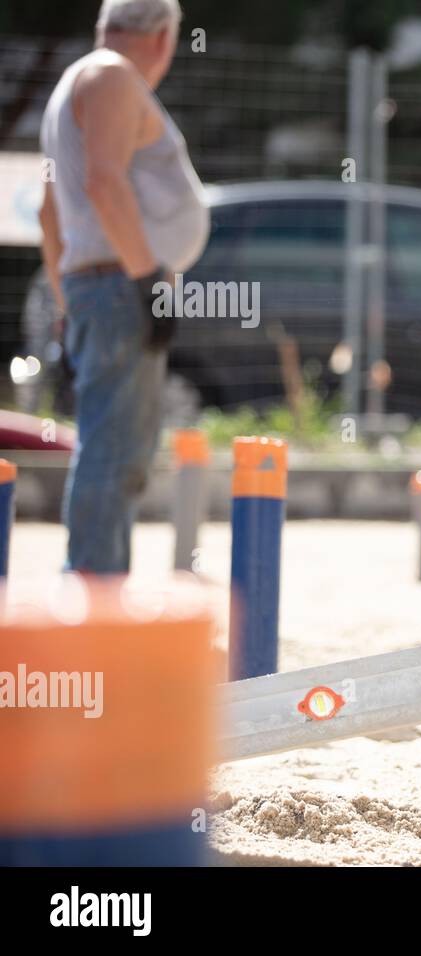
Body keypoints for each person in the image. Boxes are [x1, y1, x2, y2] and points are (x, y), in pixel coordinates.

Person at [38, 0, 209, 573]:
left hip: (99, 285)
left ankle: (95, 594)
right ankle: (93, 603)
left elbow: (50, 213)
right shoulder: (112, 74)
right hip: (118, 283)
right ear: (162, 37)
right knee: (116, 455)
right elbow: (104, 181)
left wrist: (68, 304)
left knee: (114, 452)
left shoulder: (77, 81)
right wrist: (146, 282)